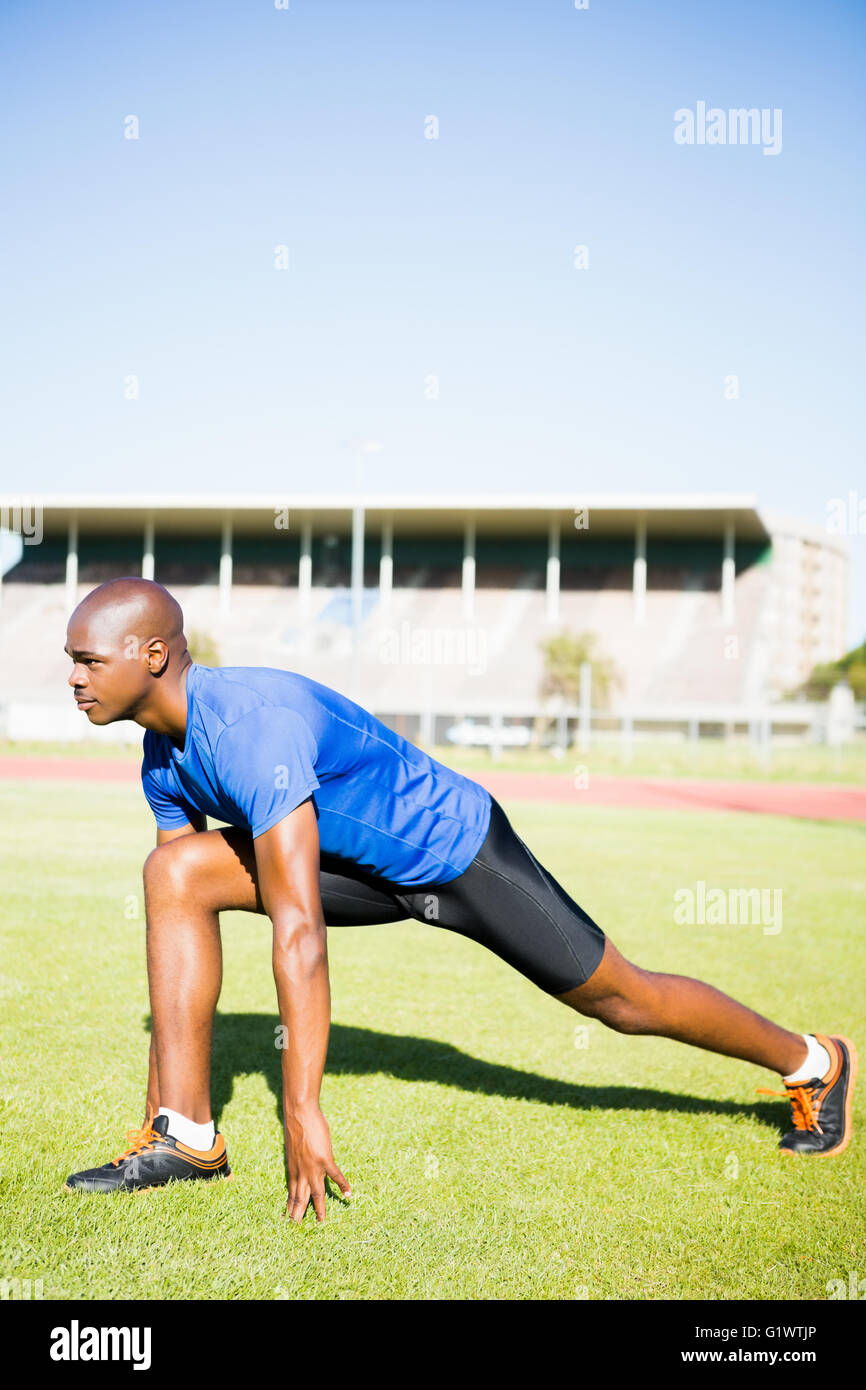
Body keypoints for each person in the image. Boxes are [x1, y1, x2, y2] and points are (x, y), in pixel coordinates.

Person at [62, 578, 857, 1221]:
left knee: (622, 998)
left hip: (457, 854)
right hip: (361, 868)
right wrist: (160, 1107)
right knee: (172, 877)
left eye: (88, 661)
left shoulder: (252, 728)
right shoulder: (161, 756)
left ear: (154, 654)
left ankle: (814, 1062)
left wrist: (300, 1108)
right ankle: (188, 1137)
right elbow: (179, 936)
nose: (73, 678)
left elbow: (299, 928)